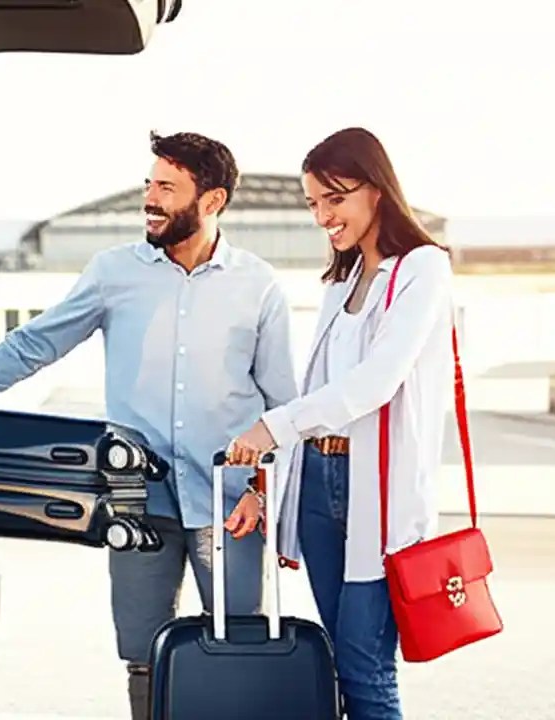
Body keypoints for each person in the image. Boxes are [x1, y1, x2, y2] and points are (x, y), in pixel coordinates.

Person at [0, 131, 298, 720]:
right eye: (149, 184)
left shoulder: (256, 284)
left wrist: (262, 492)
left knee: (237, 645)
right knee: (142, 652)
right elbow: (36, 344)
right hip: (137, 500)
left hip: (229, 504)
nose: (150, 199)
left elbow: (282, 403)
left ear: (212, 201)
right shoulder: (113, 272)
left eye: (167, 188)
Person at [222, 126, 456, 720]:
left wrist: (271, 428)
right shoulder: (341, 281)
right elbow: (317, 393)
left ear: (376, 189)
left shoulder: (423, 269)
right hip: (318, 485)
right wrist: (265, 486)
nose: (323, 216)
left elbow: (377, 383)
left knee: (366, 667)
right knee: (340, 666)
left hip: (375, 491)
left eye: (335, 198)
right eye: (313, 203)